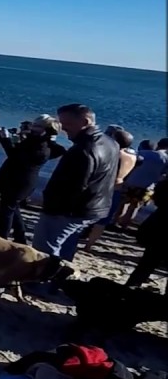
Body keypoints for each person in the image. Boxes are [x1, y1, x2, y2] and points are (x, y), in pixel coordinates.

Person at [31, 103, 119, 263]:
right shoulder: (110, 142)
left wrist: (52, 207)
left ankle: (39, 284)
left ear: (85, 122)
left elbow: (75, 186)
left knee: (45, 247)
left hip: (70, 210)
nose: (63, 129)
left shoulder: (85, 149)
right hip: (94, 207)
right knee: (66, 244)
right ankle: (57, 278)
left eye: (67, 124)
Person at [0, 115, 66, 243]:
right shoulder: (36, 141)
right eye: (34, 125)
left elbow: (15, 156)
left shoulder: (41, 146)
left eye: (37, 126)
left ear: (47, 129)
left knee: (6, 211)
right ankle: (20, 238)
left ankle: (1, 238)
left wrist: (5, 140)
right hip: (15, 178)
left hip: (20, 181)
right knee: (13, 209)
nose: (33, 128)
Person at [80, 127, 138, 249]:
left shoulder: (114, 153)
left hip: (105, 186)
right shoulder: (133, 157)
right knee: (103, 221)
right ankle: (89, 245)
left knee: (87, 214)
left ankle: (78, 238)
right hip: (118, 187)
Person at [113, 137, 168, 229]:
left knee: (122, 204)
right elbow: (164, 176)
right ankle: (124, 226)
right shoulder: (166, 159)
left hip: (131, 182)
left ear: (158, 144)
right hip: (148, 186)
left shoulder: (143, 153)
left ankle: (115, 222)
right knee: (134, 207)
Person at [125, 180, 168, 293]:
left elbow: (158, 195)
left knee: (146, 263)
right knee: (147, 262)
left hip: (160, 228)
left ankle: (129, 290)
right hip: (160, 229)